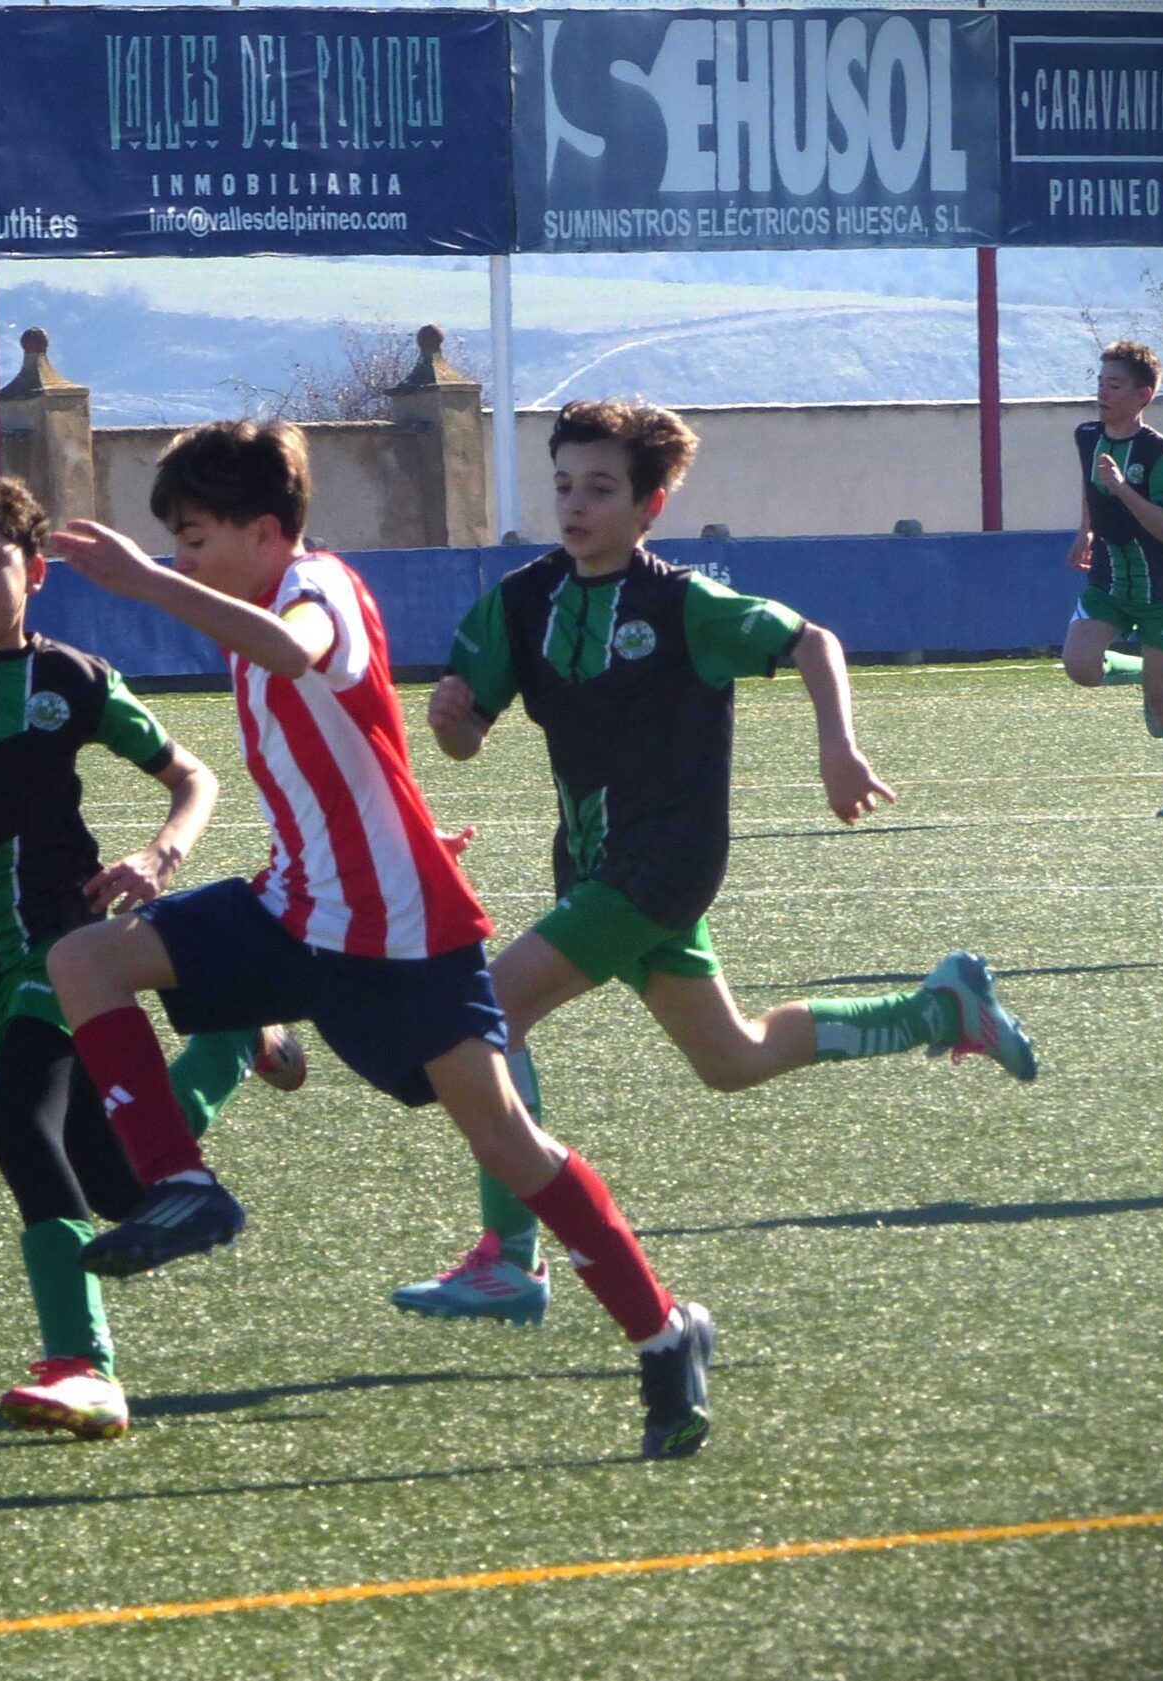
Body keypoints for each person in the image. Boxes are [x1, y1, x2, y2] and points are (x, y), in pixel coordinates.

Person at [44, 419, 718, 1461]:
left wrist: (144, 584)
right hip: (296, 906)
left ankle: (665, 1329)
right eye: (172, 543)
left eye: (195, 536)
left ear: (266, 533)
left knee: (507, 1145)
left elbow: (294, 650)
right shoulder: (258, 592)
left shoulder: (317, 593)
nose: (181, 557)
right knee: (84, 959)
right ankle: (182, 1184)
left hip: (402, 935)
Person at [389, 399, 1039, 1331]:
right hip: (595, 864)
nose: (576, 505)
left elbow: (813, 641)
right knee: (731, 1057)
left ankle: (510, 1258)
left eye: (601, 489)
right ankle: (940, 1009)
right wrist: (452, 724)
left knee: (487, 1012)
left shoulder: (682, 602)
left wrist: (837, 748)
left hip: (665, 862)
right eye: (565, 485)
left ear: (651, 504)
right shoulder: (520, 601)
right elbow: (466, 741)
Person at [0, 475, 297, 1441]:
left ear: (34, 571)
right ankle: (231, 1037)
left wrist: (161, 854)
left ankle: (86, 1365)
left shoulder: (74, 677)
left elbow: (192, 774)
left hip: (66, 942)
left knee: (15, 1121)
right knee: (119, 1187)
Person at [1062, 341, 1163, 817]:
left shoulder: (1154, 450)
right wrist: (1085, 531)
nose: (1103, 391)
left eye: (1115, 384)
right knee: (1080, 666)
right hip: (1110, 576)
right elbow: (1091, 487)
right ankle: (1145, 673)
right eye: (1101, 381)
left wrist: (1123, 489)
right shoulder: (1088, 435)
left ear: (1143, 395)